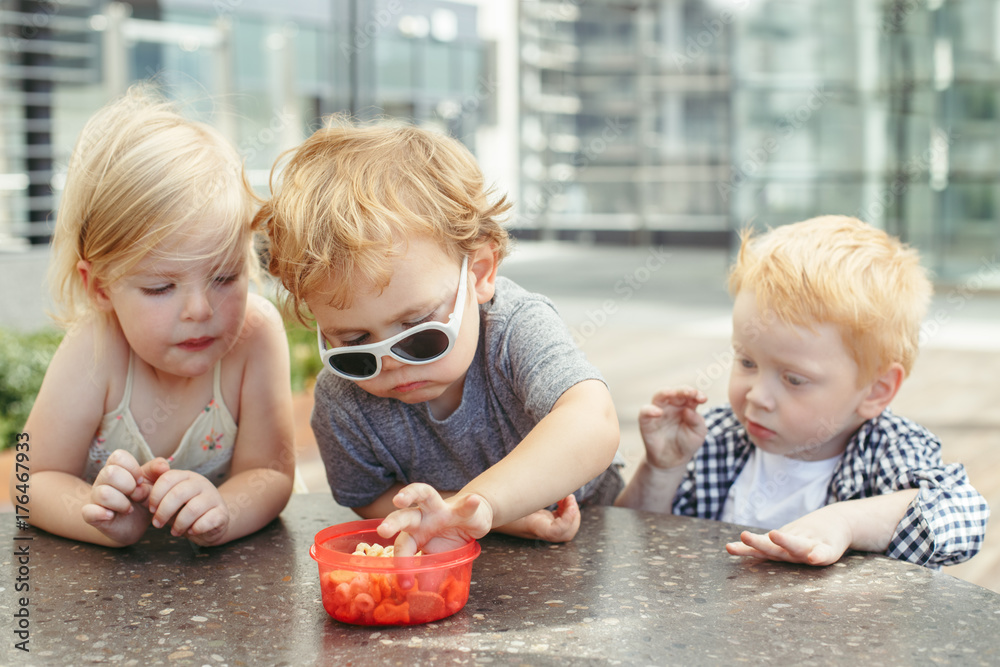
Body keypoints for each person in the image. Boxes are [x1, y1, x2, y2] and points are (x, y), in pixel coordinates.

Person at [260, 119, 622, 556]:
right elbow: (368, 496)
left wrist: (487, 503)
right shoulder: (343, 400)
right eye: (355, 345)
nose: (391, 362)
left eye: (419, 332)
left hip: (603, 528)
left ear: (480, 274)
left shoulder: (513, 328)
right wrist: (487, 518)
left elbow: (593, 421)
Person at [616, 215, 989, 568]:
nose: (756, 396)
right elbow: (625, 541)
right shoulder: (718, 438)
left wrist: (845, 522)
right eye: (747, 362)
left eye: (793, 380)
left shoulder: (886, 449)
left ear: (875, 391)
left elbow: (960, 511)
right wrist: (662, 470)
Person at [14, 86, 296, 548]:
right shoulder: (93, 348)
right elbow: (29, 479)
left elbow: (270, 472)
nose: (200, 310)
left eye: (225, 277)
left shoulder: (256, 335)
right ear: (99, 286)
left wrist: (225, 511)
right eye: (160, 288)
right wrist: (105, 522)